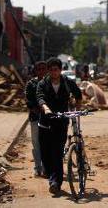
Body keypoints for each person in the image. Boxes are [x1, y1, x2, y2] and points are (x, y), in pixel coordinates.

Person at [37, 57, 82, 196]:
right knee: (45, 155)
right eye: (50, 70)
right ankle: (52, 177)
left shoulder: (67, 82)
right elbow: (40, 97)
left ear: (60, 70)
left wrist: (76, 110)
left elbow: (78, 94)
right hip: (45, 123)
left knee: (57, 152)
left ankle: (55, 183)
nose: (53, 72)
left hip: (61, 122)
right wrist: (46, 108)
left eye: (55, 69)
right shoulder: (43, 83)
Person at [24, 61, 47, 177]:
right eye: (39, 69)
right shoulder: (31, 84)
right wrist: (36, 110)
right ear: (36, 71)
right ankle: (38, 168)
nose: (41, 71)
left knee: (48, 144)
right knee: (36, 144)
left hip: (49, 119)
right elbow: (28, 101)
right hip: (35, 118)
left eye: (44, 69)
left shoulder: (50, 83)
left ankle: (46, 167)